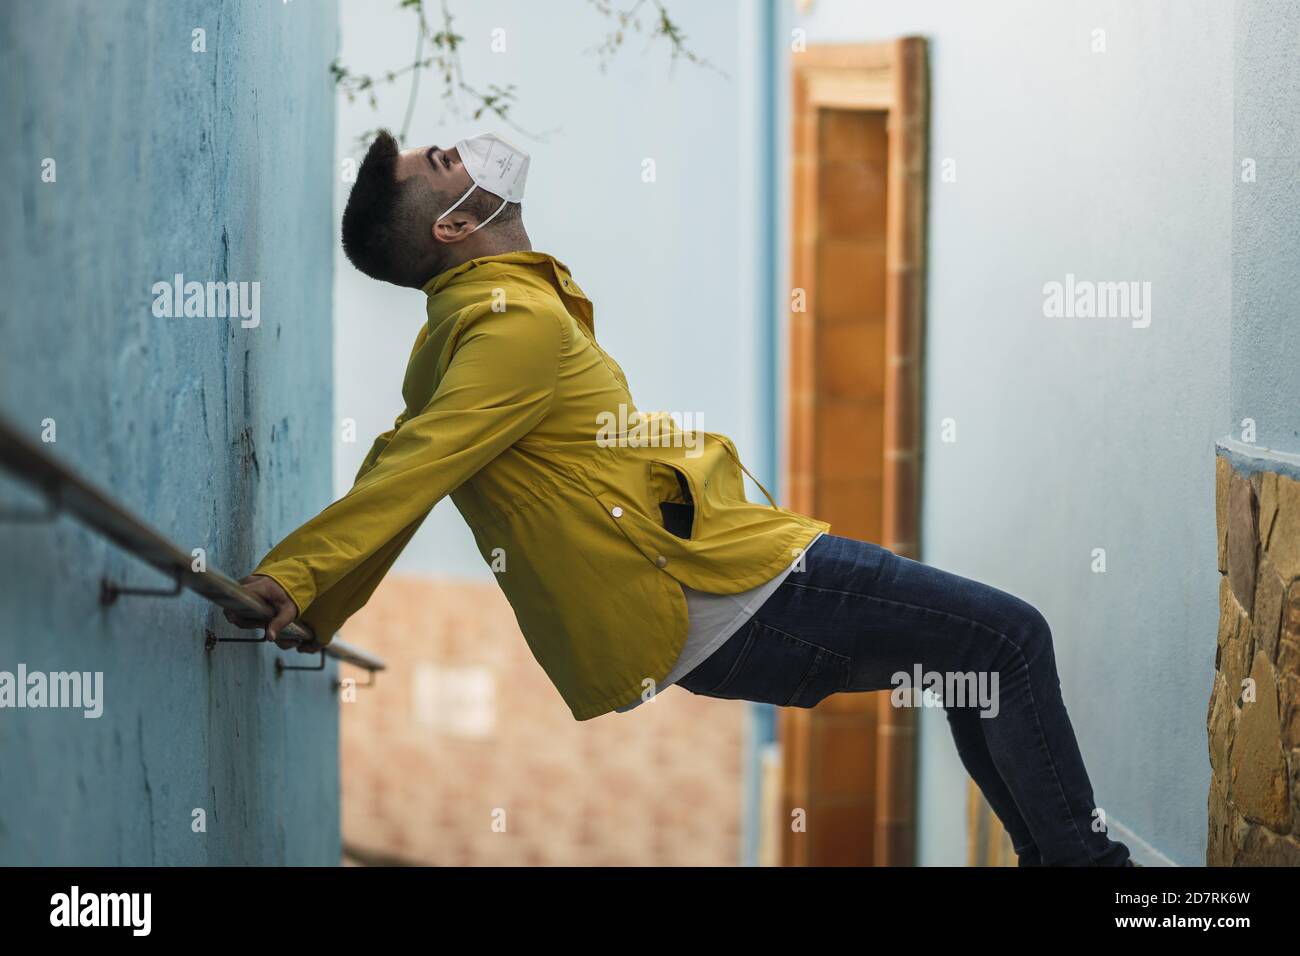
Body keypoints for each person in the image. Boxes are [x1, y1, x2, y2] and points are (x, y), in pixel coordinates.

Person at [224, 129, 1133, 867]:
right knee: (1010, 640)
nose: (460, 150)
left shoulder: (477, 319)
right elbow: (411, 469)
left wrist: (315, 601)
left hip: (720, 590)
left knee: (968, 665)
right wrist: (297, 584)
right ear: (452, 229)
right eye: (443, 164)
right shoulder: (510, 324)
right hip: (725, 588)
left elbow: (404, 467)